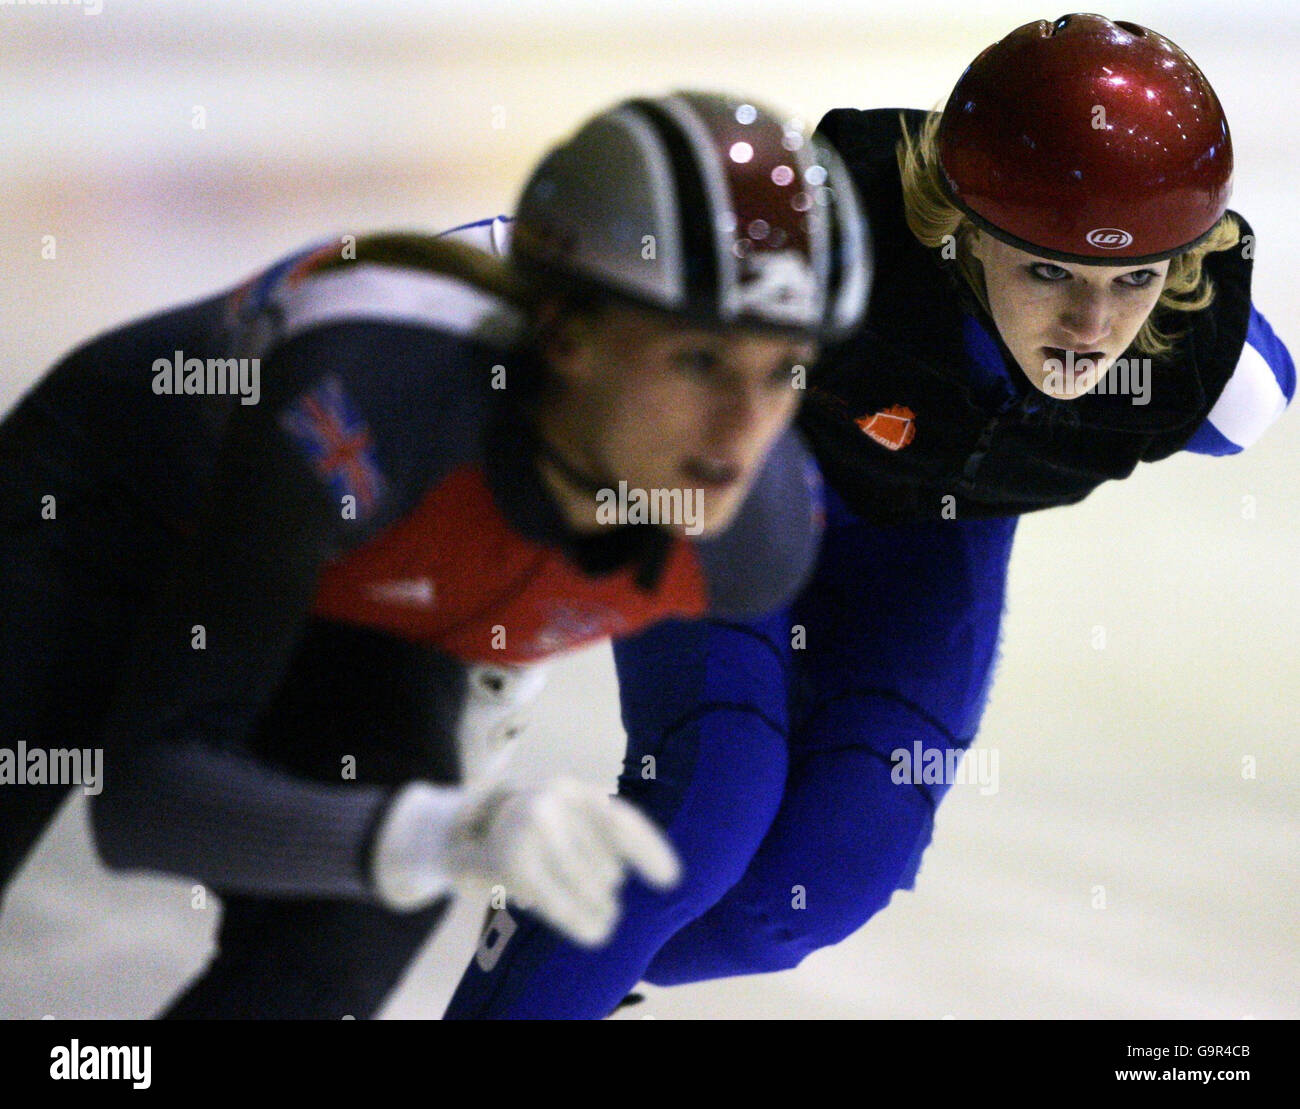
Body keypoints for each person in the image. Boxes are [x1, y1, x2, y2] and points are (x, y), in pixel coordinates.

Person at [442, 15, 1294, 1018]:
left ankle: (563, 974)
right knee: (705, 813)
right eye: (1049, 272)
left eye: (1135, 280)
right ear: (958, 227)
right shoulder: (829, 230)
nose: (1091, 329)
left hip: (928, 552)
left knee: (812, 893)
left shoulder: (1214, 379)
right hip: (743, 495)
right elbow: (516, 276)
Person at [0, 90, 871, 1019]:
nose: (744, 429)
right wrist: (433, 828)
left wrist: (435, 815)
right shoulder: (369, 397)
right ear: (568, 336)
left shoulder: (753, 535)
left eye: (785, 370)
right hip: (105, 516)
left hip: (350, 589)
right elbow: (147, 800)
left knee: (358, 923)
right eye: (700, 361)